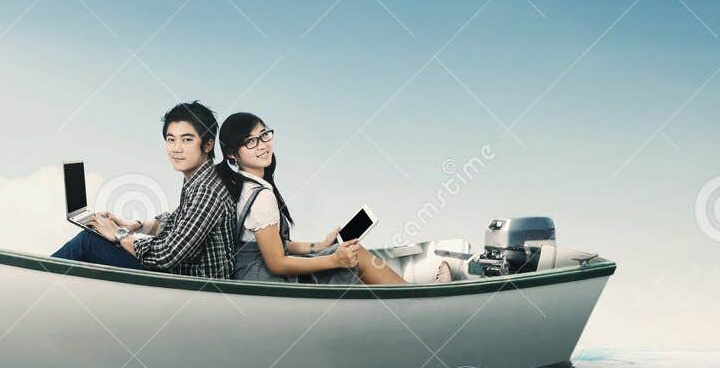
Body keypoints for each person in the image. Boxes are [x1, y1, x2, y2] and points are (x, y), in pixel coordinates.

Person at [217, 112, 439, 285]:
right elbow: (276, 262)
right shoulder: (261, 196)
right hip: (267, 281)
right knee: (356, 254)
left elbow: (272, 244)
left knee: (345, 254)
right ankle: (414, 297)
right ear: (232, 154)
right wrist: (333, 260)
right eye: (250, 142)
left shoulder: (242, 186)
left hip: (254, 274)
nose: (263, 145)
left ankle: (397, 291)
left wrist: (319, 246)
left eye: (264, 135)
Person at [51, 102, 237, 278]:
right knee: (95, 238)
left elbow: (167, 255)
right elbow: (174, 222)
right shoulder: (199, 180)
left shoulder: (207, 190)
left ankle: (39, 279)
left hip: (191, 285)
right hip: (182, 274)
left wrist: (118, 235)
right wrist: (132, 225)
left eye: (187, 140)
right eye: (171, 140)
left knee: (88, 242)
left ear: (208, 144)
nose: (176, 149)